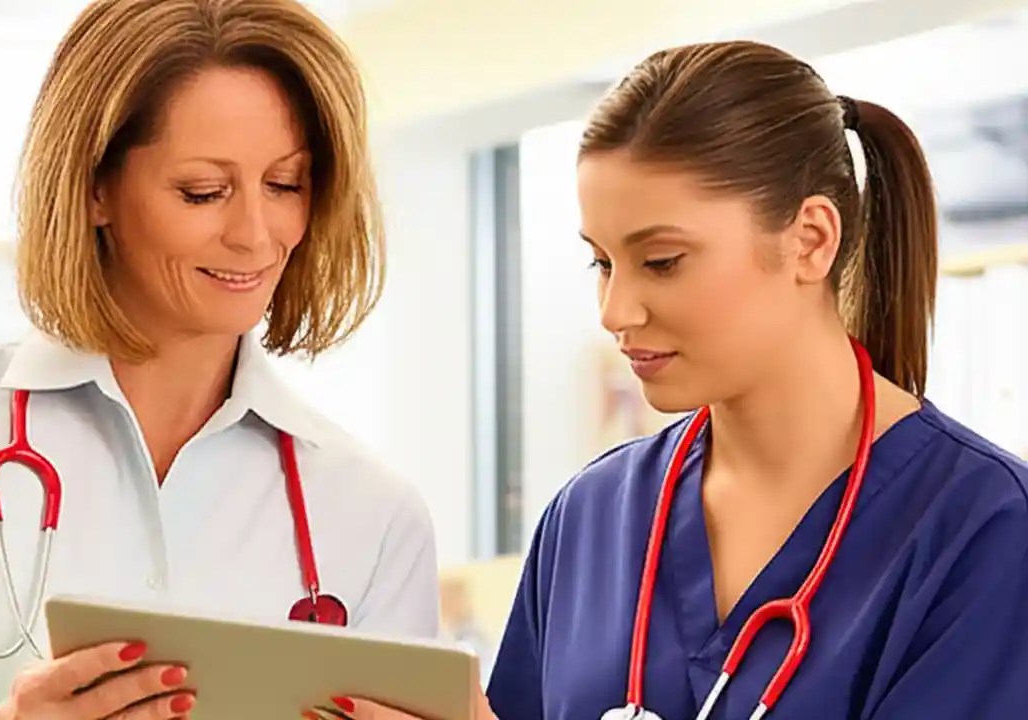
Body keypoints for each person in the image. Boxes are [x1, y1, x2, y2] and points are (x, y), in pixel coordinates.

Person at [317, 40, 1028, 720]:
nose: (614, 311)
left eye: (661, 262)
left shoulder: (985, 532)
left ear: (811, 240)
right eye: (601, 262)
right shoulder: (589, 518)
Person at [0, 1, 440, 718]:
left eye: (285, 185)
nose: (256, 236)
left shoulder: (374, 512)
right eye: (204, 191)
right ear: (97, 186)